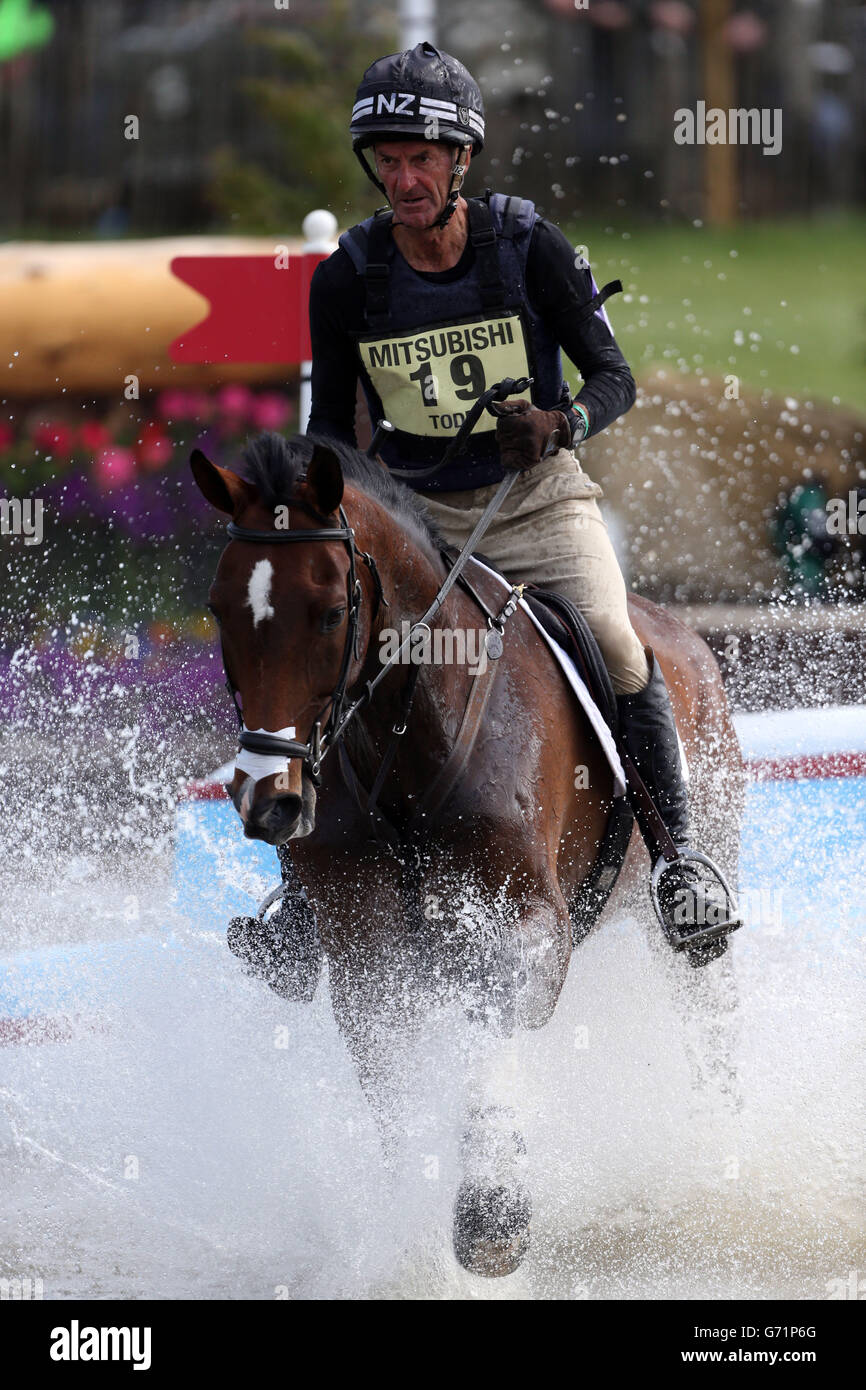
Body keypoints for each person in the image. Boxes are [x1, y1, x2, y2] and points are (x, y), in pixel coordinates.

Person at [230, 42, 737, 986]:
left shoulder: (526, 246)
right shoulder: (347, 277)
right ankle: (304, 897)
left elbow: (613, 377)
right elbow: (328, 426)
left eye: (422, 158)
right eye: (388, 160)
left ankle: (676, 863)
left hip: (537, 506)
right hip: (415, 520)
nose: (405, 177)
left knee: (618, 648)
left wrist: (562, 422)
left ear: (460, 161)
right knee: (338, 657)